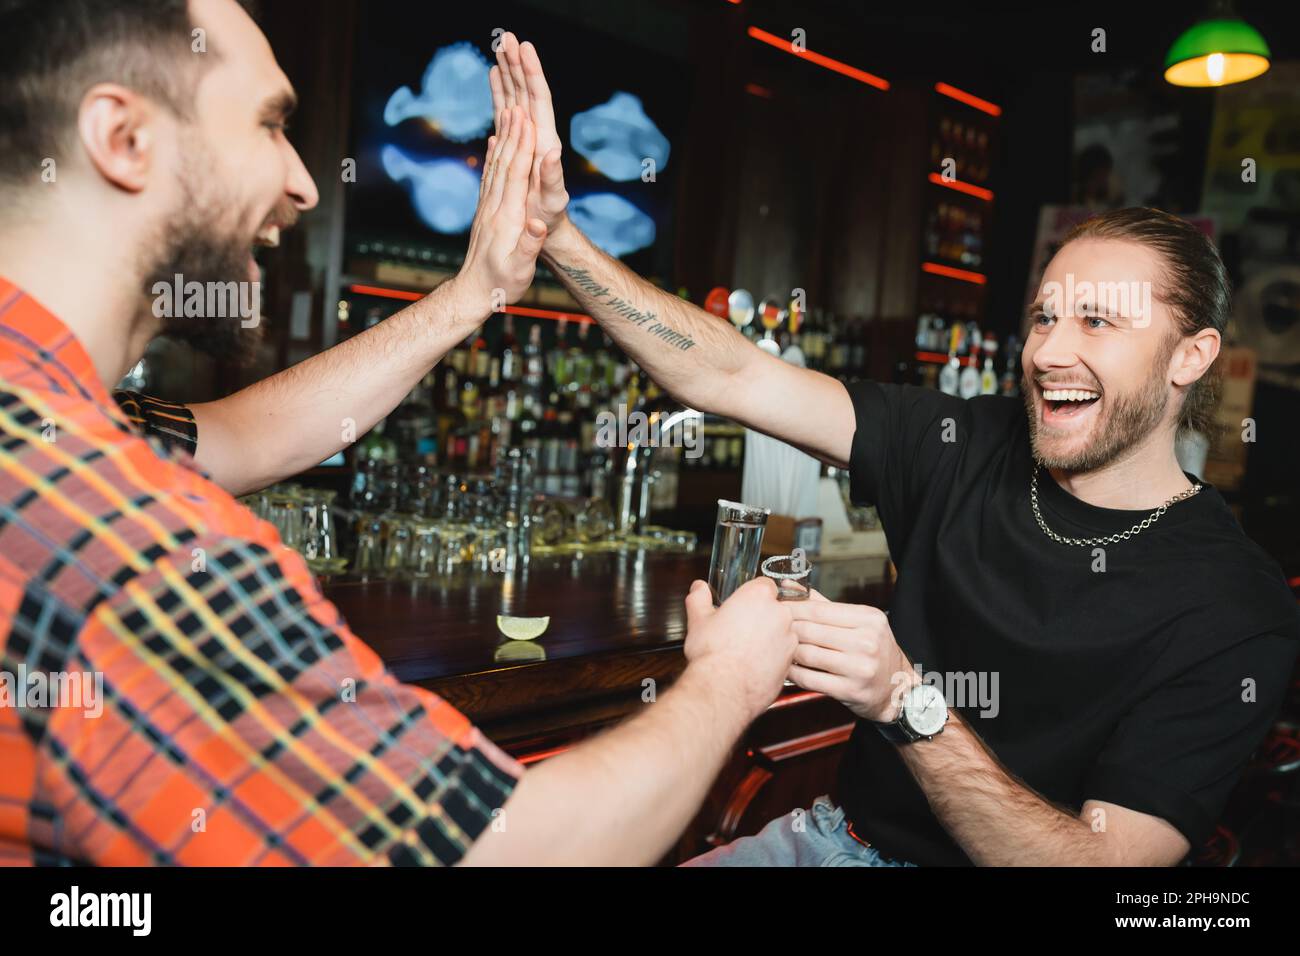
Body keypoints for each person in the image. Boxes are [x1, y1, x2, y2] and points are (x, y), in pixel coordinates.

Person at [0, 0, 798, 867]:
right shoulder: (125, 540)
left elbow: (241, 440)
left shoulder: (47, 417)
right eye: (271, 123)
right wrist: (733, 674)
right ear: (123, 138)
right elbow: (513, 854)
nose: (305, 181)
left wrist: (474, 293)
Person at [491, 32, 1300, 866]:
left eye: (1097, 320)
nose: (1050, 350)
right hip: (836, 844)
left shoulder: (1235, 607)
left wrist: (906, 699)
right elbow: (730, 375)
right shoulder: (963, 441)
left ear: (1190, 357)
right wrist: (560, 239)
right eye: (1044, 316)